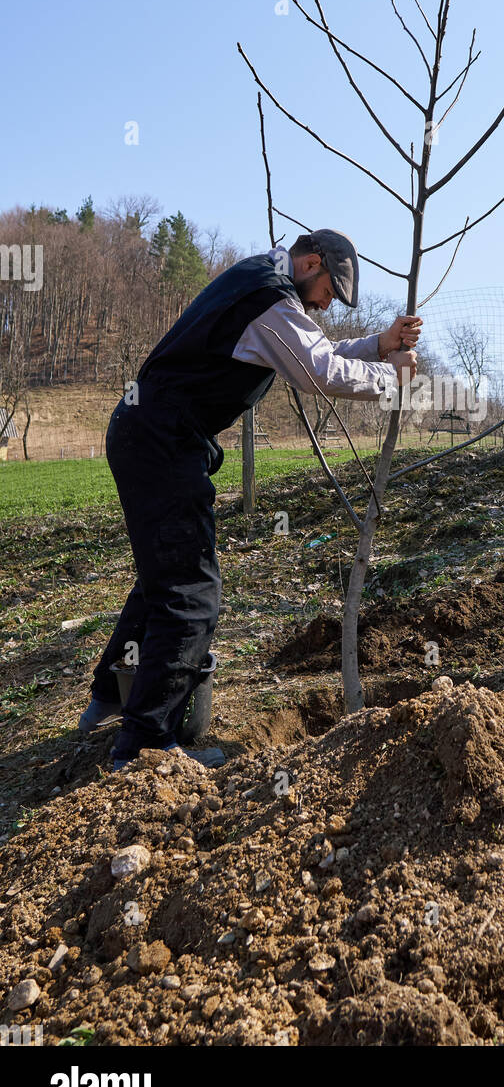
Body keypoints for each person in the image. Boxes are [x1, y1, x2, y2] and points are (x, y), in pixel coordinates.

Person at [79, 229, 421, 768]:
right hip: (162, 442)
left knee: (164, 575)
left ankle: (109, 697)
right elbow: (319, 370)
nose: (329, 303)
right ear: (312, 263)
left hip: (147, 431)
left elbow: (316, 351)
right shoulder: (271, 300)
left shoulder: (262, 280)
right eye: (331, 291)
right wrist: (389, 377)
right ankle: (145, 745)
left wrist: (378, 346)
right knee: (192, 593)